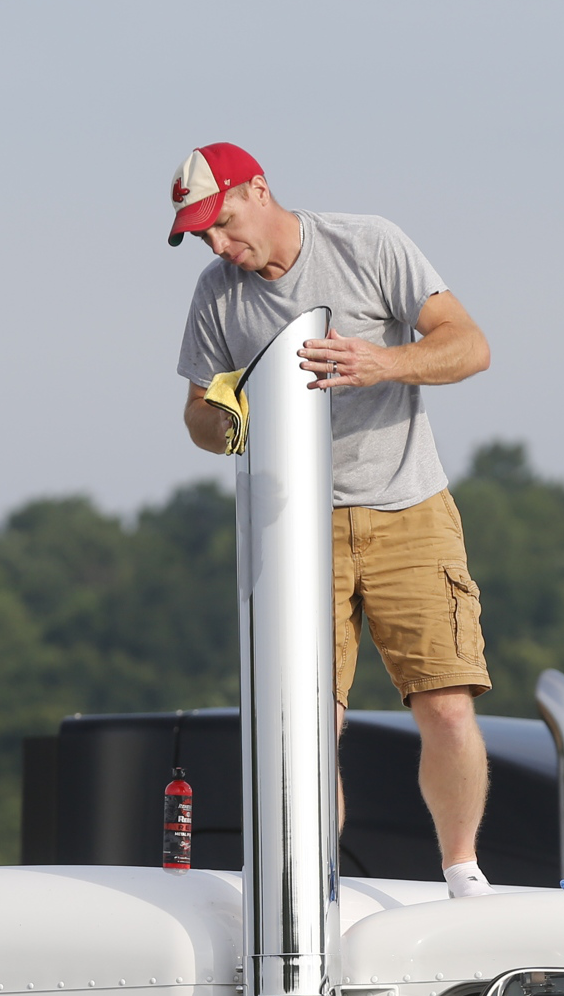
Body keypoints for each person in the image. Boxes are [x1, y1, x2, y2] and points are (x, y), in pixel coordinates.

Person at [169, 143, 497, 898]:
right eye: (202, 236)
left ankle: (462, 870)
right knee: (313, 722)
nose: (219, 246)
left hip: (408, 507)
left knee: (446, 701)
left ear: (258, 189)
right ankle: (315, 885)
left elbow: (470, 346)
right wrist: (230, 423)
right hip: (294, 528)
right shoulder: (217, 295)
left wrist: (384, 363)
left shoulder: (369, 243)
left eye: (221, 223)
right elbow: (195, 413)